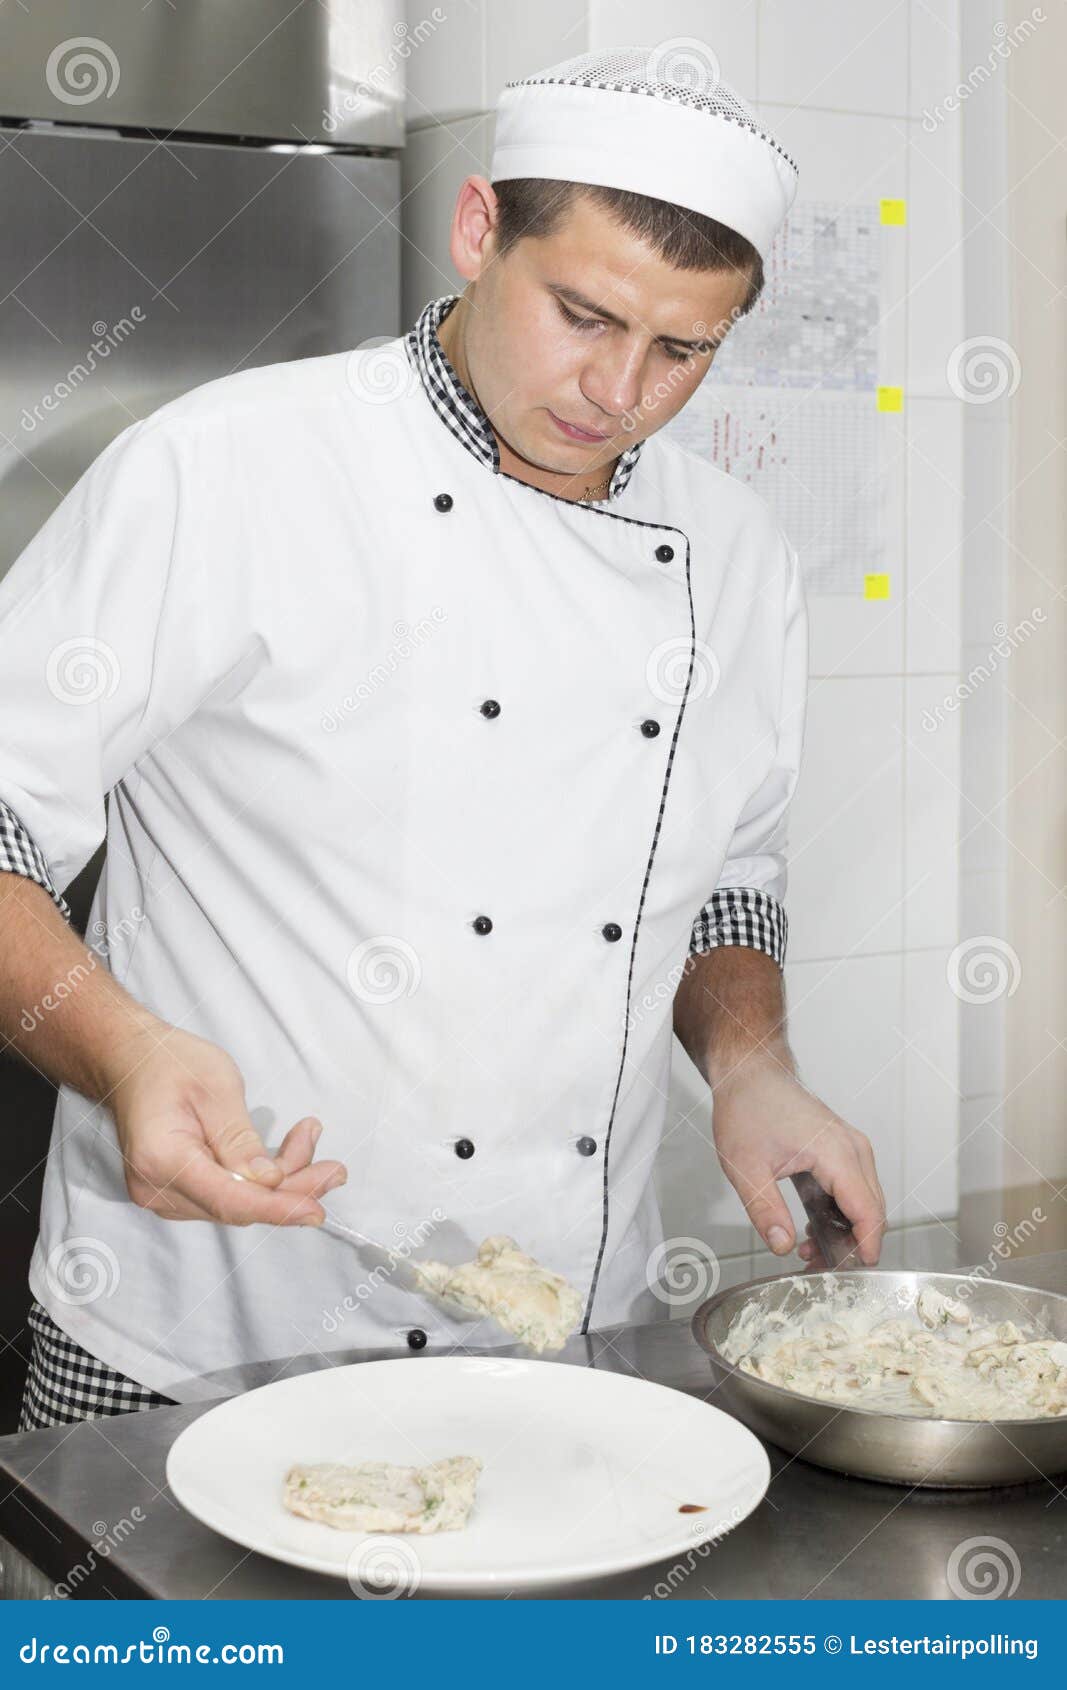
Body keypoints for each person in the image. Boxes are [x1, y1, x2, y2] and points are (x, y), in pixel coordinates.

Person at [0, 48, 885, 1430]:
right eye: (582, 315)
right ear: (479, 231)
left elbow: (732, 865)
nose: (619, 390)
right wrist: (119, 1050)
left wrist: (756, 1066)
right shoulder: (228, 467)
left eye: (681, 349)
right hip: (194, 1328)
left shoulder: (739, 554)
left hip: (559, 1344)